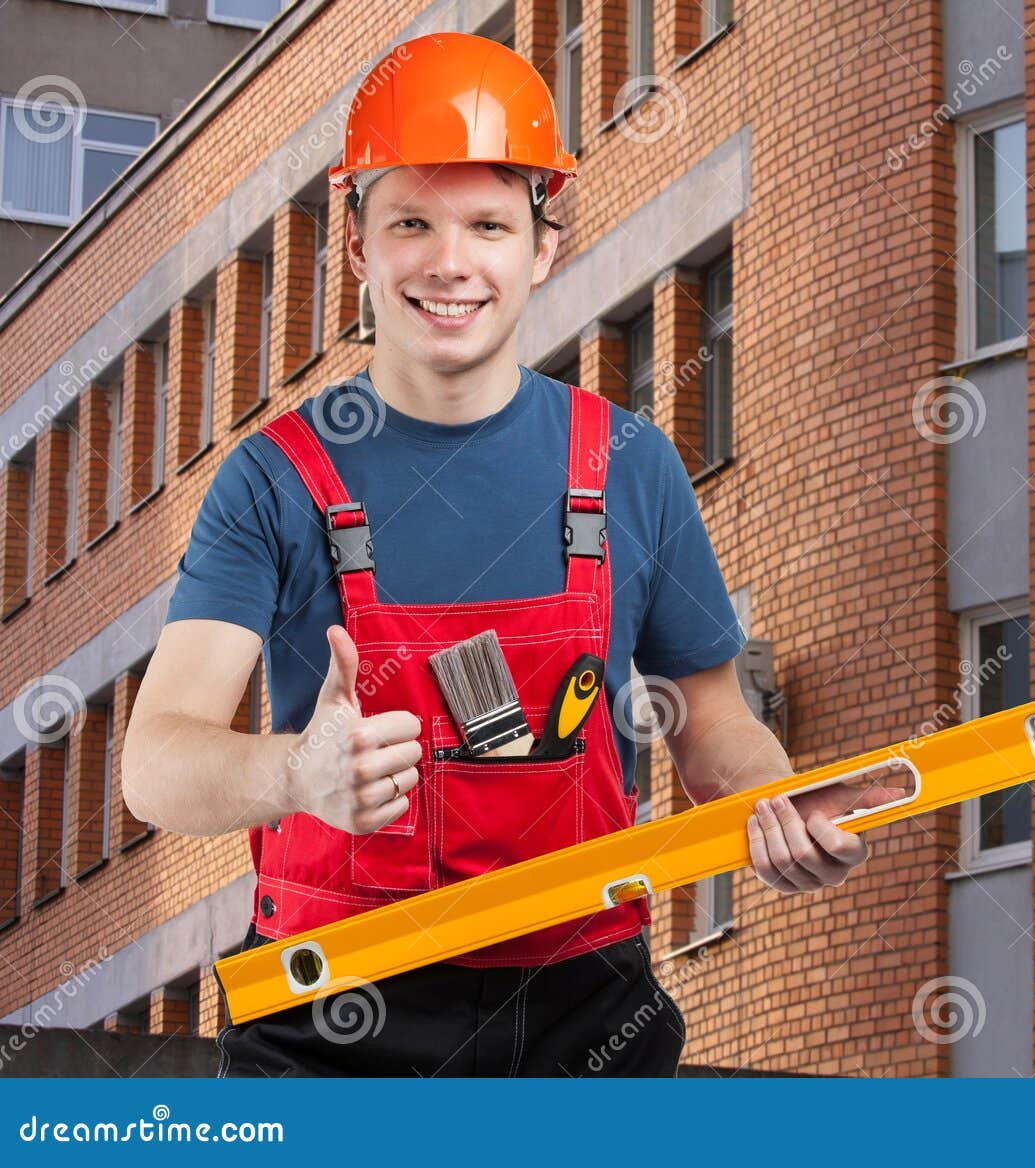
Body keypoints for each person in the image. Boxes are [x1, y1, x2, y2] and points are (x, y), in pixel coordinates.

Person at [121, 31, 903, 1078]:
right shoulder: (275, 478)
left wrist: (774, 801)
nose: (449, 262)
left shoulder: (629, 464)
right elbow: (154, 762)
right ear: (358, 247)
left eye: (488, 224)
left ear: (541, 248)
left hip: (582, 1014)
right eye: (411, 223)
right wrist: (295, 770)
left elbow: (713, 718)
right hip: (333, 1019)